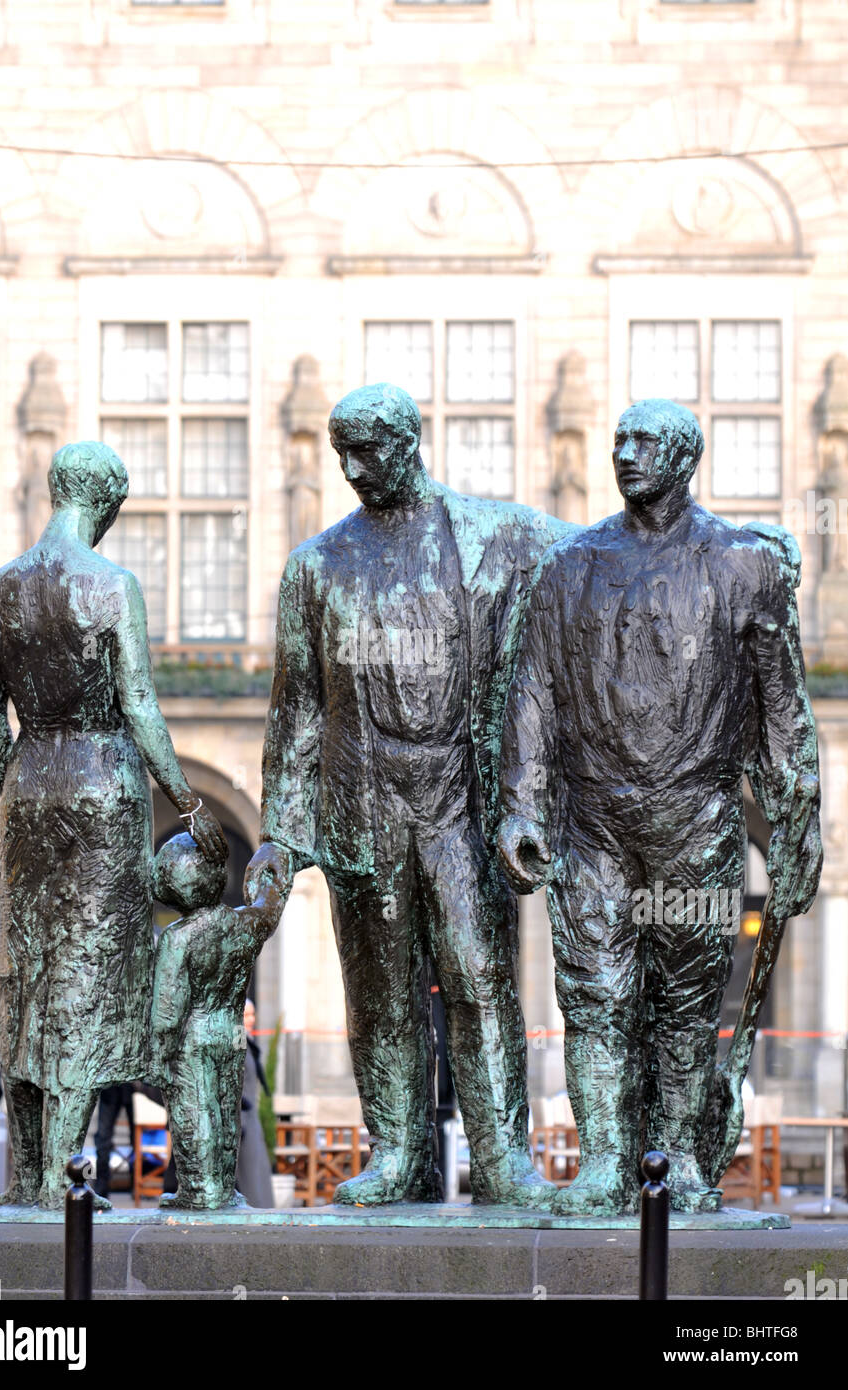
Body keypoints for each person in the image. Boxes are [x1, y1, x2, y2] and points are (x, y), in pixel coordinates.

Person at [245, 382, 573, 1206]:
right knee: (381, 992)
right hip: (363, 808)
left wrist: (730, 548)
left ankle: (502, 1158)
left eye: (370, 451)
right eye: (342, 454)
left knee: (477, 979)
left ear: (411, 441)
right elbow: (297, 713)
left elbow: (606, 550)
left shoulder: (498, 535)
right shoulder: (315, 566)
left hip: (458, 806)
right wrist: (283, 832)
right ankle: (399, 1152)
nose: (354, 470)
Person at [498, 399, 822, 1214]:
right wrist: (521, 808)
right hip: (593, 822)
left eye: (644, 442)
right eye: (618, 440)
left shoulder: (742, 563)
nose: (625, 454)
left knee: (684, 995)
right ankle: (605, 1159)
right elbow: (530, 692)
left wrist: (797, 817)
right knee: (594, 991)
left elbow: (782, 705)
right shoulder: (568, 566)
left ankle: (678, 1154)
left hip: (696, 817)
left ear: (684, 458)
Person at [0, 440, 227, 1210]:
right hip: (102, 780)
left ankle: (23, 1175)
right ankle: (59, 1177)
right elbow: (140, 704)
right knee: (86, 972)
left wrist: (14, 784)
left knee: (29, 966)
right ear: (110, 500)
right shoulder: (112, 585)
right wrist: (185, 799)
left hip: (30, 784)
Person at [150, 833, 280, 1209]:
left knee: (195, 1112)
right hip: (231, 1032)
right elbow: (267, 911)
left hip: (193, 1036)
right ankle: (223, 1186)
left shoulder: (178, 938)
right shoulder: (242, 924)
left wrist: (158, 1056)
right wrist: (269, 873)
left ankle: (199, 1188)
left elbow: (166, 1013)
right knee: (226, 1111)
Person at [234, 998, 274, 1208]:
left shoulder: (245, 1038)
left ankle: (261, 1213)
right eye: (246, 1015)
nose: (251, 1020)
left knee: (257, 1171)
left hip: (251, 1116)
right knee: (248, 1173)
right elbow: (234, 1069)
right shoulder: (237, 1036)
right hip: (242, 1117)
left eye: (252, 1015)